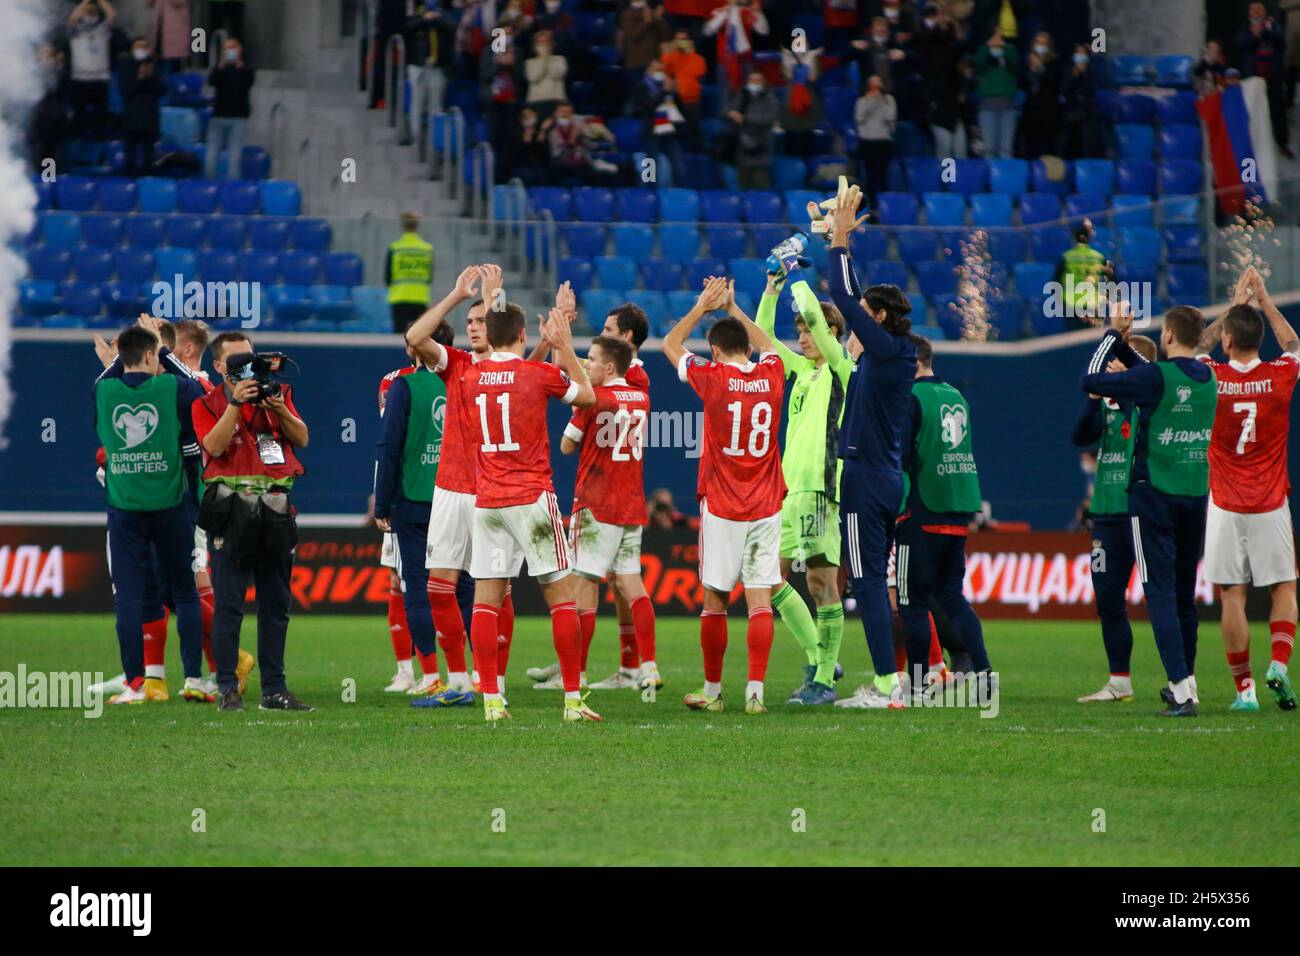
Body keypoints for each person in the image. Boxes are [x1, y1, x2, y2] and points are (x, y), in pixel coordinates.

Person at [463, 297, 600, 723]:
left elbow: (506, 374)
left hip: (488, 502)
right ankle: (573, 701)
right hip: (532, 500)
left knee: (485, 602)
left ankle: (490, 700)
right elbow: (588, 396)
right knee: (560, 598)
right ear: (523, 335)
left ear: (488, 334)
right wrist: (563, 344)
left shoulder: (470, 377)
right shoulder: (538, 374)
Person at [1079, 307, 1217, 717]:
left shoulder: (1156, 378)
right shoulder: (1209, 376)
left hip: (1152, 493)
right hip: (1195, 493)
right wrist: (1126, 342)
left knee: (1156, 590)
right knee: (1182, 594)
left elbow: (1090, 380)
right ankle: (1187, 679)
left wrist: (1110, 335)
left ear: (1169, 333)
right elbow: (1153, 371)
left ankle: (1179, 689)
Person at [663, 276, 787, 715]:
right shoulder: (773, 374)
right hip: (767, 503)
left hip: (723, 504)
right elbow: (771, 347)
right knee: (760, 599)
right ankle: (755, 693)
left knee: (715, 599)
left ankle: (713, 693)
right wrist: (734, 309)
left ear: (714, 351)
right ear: (748, 350)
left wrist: (701, 308)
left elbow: (669, 345)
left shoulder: (711, 377)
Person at [528, 303, 658, 690]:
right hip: (631, 502)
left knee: (583, 584)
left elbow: (572, 423)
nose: (589, 357)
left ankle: (576, 671)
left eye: (605, 330)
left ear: (626, 339)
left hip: (597, 500)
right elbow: (574, 373)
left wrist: (561, 343)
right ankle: (643, 666)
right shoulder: (639, 391)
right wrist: (561, 341)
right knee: (629, 583)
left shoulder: (614, 384)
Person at [825, 182, 918, 711]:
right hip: (885, 478)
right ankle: (893, 680)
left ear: (878, 318)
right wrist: (844, 250)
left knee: (864, 581)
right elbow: (852, 295)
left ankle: (886, 686)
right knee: (874, 581)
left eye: (866, 312)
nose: (855, 318)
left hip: (863, 479)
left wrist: (839, 238)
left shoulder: (882, 352)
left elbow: (843, 298)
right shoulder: (891, 352)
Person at [404, 265, 513, 707]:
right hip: (450, 489)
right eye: (469, 322)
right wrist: (454, 295)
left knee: (497, 592)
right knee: (438, 587)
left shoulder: (514, 369)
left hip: (495, 490)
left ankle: (497, 683)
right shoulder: (458, 364)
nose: (473, 327)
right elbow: (416, 338)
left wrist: (494, 298)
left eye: (481, 321)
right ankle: (460, 681)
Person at [754, 238, 853, 706]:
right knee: (769, 577)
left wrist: (796, 275)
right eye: (801, 331)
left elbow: (815, 315)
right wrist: (772, 290)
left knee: (820, 583)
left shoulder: (840, 368)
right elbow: (762, 342)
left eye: (810, 331)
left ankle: (824, 681)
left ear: (831, 335)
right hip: (787, 492)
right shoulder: (801, 371)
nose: (803, 336)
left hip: (818, 489)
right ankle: (820, 656)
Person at [1195, 267, 1298, 712]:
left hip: (1225, 502)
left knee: (1232, 594)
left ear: (1229, 341)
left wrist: (1233, 303)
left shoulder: (1212, 377)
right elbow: (1293, 344)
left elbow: (1195, 348)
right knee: (1283, 588)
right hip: (1272, 501)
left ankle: (1246, 692)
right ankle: (1280, 663)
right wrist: (1264, 300)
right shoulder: (1280, 376)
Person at [192, 332, 312, 712]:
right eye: (237, 361)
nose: (247, 367)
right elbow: (212, 447)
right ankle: (227, 687)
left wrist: (278, 409)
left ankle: (274, 690)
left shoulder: (277, 396)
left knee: (276, 605)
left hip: (276, 509)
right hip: (233, 513)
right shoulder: (205, 403)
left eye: (250, 358)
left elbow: (302, 438)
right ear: (218, 367)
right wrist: (233, 403)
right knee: (229, 604)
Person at [94, 324, 207, 705]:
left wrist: (112, 362)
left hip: (124, 511)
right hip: (170, 506)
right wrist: (163, 350)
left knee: (128, 598)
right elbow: (196, 387)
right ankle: (193, 679)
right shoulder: (171, 387)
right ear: (150, 355)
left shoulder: (104, 391)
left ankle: (135, 684)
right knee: (185, 592)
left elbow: (106, 377)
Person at [894, 334, 995, 693]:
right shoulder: (956, 395)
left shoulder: (910, 398)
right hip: (958, 509)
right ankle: (983, 671)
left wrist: (896, 509)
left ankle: (919, 683)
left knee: (912, 601)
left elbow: (901, 456)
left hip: (923, 508)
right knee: (952, 596)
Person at [1072, 332, 1159, 703]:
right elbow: (1080, 436)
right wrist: (1095, 400)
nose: (1113, 367)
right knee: (1108, 598)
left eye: (1123, 361)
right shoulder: (1109, 401)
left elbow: (1139, 425)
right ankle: (1119, 680)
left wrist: (1125, 389)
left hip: (1142, 509)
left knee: (1161, 596)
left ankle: (1183, 679)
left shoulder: (1153, 399)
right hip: (1106, 514)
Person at [373, 331, 452, 696]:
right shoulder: (394, 380)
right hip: (453, 498)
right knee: (449, 585)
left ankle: (431, 673)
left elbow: (390, 444)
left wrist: (383, 499)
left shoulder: (402, 385)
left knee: (416, 585)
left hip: (412, 496)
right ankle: (411, 671)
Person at [1235, 2, 1291, 157]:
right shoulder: (1245, 26)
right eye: (1253, 9)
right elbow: (1239, 44)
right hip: (1252, 76)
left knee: (1277, 110)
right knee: (1251, 109)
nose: (1256, 12)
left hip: (1272, 75)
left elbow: (1281, 41)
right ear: (1249, 12)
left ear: (1265, 11)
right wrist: (1254, 35)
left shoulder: (1273, 24)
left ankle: (1282, 144)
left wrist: (1263, 32)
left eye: (1260, 9)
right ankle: (1250, 144)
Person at [206, 38, 255, 180]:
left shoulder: (247, 69)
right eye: (226, 48)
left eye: (233, 47)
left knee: (234, 160)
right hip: (218, 117)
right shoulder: (219, 68)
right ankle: (211, 188)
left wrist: (238, 66)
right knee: (210, 158)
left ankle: (232, 194)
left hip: (238, 119)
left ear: (239, 49)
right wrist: (222, 64)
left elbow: (242, 85)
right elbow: (212, 81)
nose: (230, 50)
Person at [632, 59, 687, 186]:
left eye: (662, 70)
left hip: (670, 132)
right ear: (648, 70)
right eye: (657, 70)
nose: (660, 73)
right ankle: (648, 195)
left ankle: (681, 197)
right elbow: (647, 107)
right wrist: (663, 92)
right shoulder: (642, 87)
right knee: (651, 169)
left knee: (680, 168)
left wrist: (676, 93)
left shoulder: (667, 86)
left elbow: (682, 111)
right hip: (652, 133)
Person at [67, 0, 116, 135]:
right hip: (80, 78)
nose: (90, 13)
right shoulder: (75, 30)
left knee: (101, 119)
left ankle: (100, 145)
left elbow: (112, 15)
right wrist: (85, 3)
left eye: (93, 11)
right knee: (79, 119)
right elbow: (72, 18)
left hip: (100, 78)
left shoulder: (103, 29)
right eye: (87, 12)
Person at [724, 70, 779, 189]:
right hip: (741, 147)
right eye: (751, 80)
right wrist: (731, 113)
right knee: (743, 183)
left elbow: (768, 119)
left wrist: (745, 119)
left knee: (761, 184)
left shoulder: (770, 100)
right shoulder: (741, 96)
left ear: (763, 83)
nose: (754, 83)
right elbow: (726, 110)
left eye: (757, 80)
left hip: (760, 147)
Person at [119, 38, 164, 177]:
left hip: (150, 118)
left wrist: (150, 77)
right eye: (139, 46)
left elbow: (162, 90)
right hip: (131, 118)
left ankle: (147, 184)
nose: (142, 49)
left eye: (146, 46)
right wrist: (139, 78)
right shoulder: (126, 66)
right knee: (129, 157)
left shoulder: (154, 66)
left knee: (148, 157)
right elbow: (125, 91)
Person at [1055, 219, 1111, 330]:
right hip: (1093, 304)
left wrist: (1061, 302)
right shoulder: (1099, 257)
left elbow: (1055, 284)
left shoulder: (1067, 256)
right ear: (1090, 236)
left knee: (1073, 342)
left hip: (1071, 305)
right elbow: (1111, 283)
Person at [703, 0, 769, 91]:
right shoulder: (718, 11)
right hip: (725, 60)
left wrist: (758, 13)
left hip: (745, 59)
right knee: (726, 96)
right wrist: (726, 12)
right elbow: (708, 32)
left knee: (748, 93)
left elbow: (763, 31)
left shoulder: (747, 12)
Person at [386, 212, 434, 334]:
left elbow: (387, 276)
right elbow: (429, 277)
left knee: (398, 338)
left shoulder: (395, 248)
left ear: (403, 226)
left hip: (399, 297)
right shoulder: (427, 249)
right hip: (420, 298)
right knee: (418, 338)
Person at [974, 29, 1019, 160]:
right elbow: (979, 65)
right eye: (994, 34)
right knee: (989, 148)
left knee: (1006, 148)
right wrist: (987, 47)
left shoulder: (1010, 50)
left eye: (1000, 34)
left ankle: (1005, 180)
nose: (997, 38)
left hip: (1008, 107)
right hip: (987, 107)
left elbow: (1015, 66)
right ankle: (989, 179)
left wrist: (1005, 48)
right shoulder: (983, 51)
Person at [855, 75, 896, 211]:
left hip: (883, 141)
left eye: (878, 84)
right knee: (870, 175)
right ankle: (871, 207)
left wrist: (881, 101)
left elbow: (890, 117)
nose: (876, 88)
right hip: (867, 141)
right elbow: (860, 118)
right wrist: (871, 102)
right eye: (873, 84)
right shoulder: (862, 101)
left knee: (883, 174)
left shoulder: (889, 100)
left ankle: (885, 207)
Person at [662, 30, 707, 150]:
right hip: (674, 100)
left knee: (693, 130)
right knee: (673, 132)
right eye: (678, 40)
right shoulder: (670, 57)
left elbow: (699, 71)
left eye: (683, 40)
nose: (680, 43)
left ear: (689, 41)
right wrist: (670, 49)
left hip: (692, 100)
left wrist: (690, 53)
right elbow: (663, 69)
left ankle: (694, 155)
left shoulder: (697, 58)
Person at [1018, 32, 1060, 160]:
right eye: (1038, 42)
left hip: (1048, 114)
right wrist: (1031, 69)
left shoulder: (1055, 62)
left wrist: (1040, 67)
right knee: (1030, 149)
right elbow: (1021, 83)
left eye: (1044, 43)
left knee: (1047, 150)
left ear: (1049, 46)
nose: (1040, 46)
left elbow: (1053, 83)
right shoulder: (1027, 62)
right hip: (1031, 113)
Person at [1059, 44, 1104, 159]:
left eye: (1082, 53)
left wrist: (1084, 74)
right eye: (1077, 53)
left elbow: (1092, 90)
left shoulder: (1091, 71)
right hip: (1070, 111)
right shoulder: (1067, 71)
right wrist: (1074, 76)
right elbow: (1064, 90)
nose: (1079, 56)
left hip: (1087, 113)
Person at [524, 30, 567, 114]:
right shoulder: (529, 62)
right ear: (534, 45)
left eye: (546, 42)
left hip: (556, 101)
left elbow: (556, 74)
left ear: (551, 44)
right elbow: (534, 77)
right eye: (540, 42)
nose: (543, 45)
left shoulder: (560, 59)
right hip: (535, 102)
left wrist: (547, 57)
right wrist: (543, 59)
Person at [148, 0, 191, 73]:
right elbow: (149, 3)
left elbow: (179, 2)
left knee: (172, 71)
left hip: (174, 37)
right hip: (158, 37)